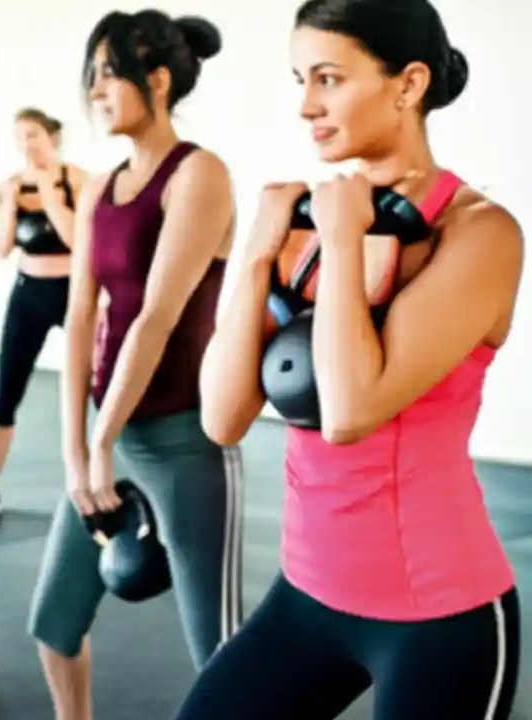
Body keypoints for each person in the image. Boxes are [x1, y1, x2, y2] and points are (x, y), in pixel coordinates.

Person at [177, 1, 523, 717]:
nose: (307, 105)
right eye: (300, 79)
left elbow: (350, 411)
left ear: (409, 84)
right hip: (306, 596)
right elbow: (221, 417)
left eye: (328, 78)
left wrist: (340, 241)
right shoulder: (304, 224)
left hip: (438, 615)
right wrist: (258, 251)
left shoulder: (481, 235)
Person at [25, 11, 244, 720]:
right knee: (53, 627)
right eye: (89, 78)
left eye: (108, 75)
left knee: (222, 656)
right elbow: (81, 314)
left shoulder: (200, 174)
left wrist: (100, 440)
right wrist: (74, 453)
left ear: (156, 80)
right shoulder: (98, 186)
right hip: (106, 435)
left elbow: (157, 315)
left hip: (183, 440)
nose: (94, 92)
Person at [0, 107, 87, 519]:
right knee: (7, 388)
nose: (27, 145)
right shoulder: (13, 187)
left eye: (34, 135)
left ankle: (92, 477)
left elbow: (79, 238)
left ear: (52, 137)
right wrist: (8, 202)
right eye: (19, 137)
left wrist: (50, 194)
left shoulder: (77, 180)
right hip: (28, 292)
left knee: (93, 386)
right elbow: (2, 247)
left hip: (73, 292)